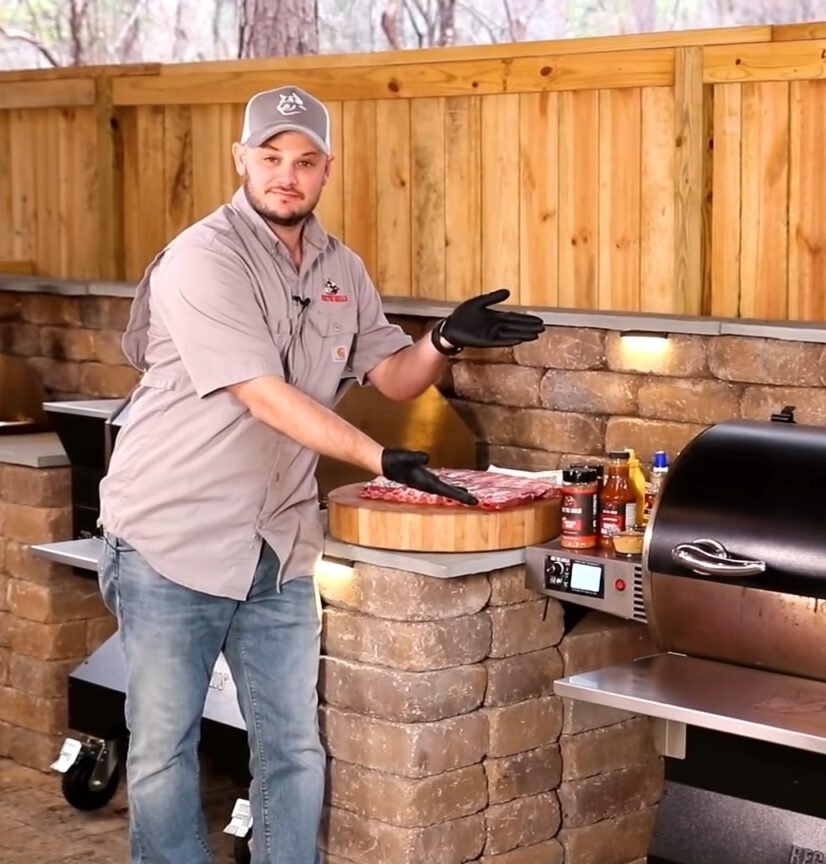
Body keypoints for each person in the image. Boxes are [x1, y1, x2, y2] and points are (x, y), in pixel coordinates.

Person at [95, 84, 544, 864]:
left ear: (326, 170)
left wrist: (442, 339)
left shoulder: (342, 268)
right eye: (270, 159)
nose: (286, 176)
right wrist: (379, 459)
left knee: (294, 749)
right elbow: (260, 393)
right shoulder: (204, 258)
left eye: (304, 162)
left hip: (277, 548)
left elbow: (394, 378)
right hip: (172, 540)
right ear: (242, 160)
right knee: (164, 751)